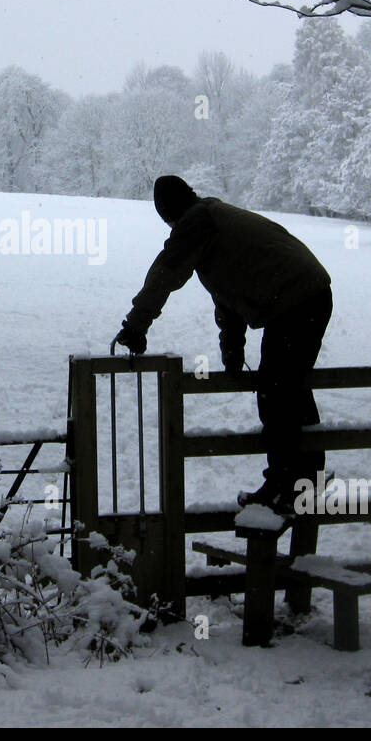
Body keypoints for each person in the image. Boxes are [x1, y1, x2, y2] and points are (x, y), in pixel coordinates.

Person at [113, 175, 332, 515]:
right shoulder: (212, 219)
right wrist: (233, 349)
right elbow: (229, 294)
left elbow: (165, 274)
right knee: (289, 386)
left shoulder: (197, 222)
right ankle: (303, 481)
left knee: (277, 388)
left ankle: (287, 486)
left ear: (169, 212)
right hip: (307, 293)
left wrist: (135, 326)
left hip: (295, 298)